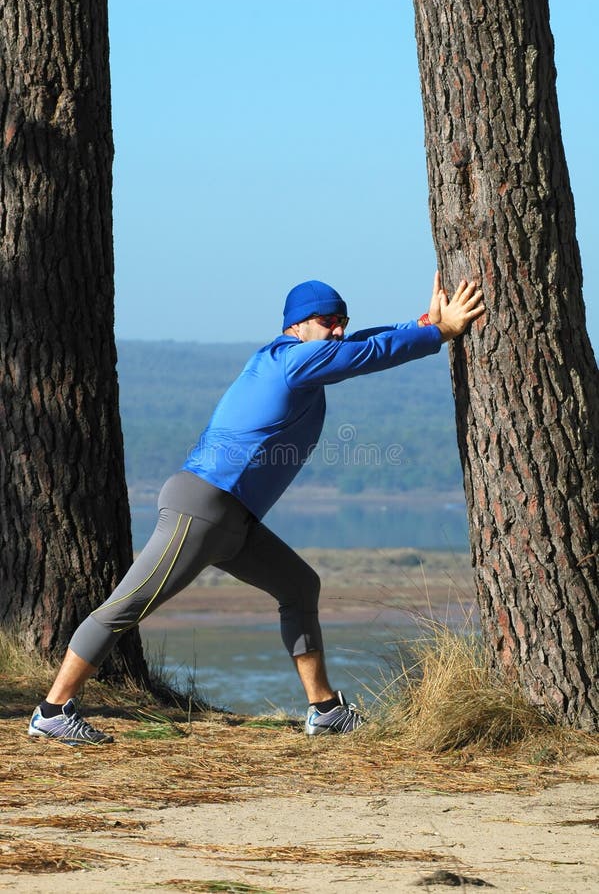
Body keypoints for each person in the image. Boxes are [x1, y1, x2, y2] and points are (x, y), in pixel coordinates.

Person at [28, 272, 484, 744]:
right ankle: (52, 710)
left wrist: (426, 320)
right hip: (202, 507)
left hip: (234, 520)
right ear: (297, 326)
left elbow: (362, 342)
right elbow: (365, 353)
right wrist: (439, 333)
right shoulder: (290, 362)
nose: (340, 330)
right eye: (329, 321)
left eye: (343, 321)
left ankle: (324, 708)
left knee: (300, 585)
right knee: (126, 606)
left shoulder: (302, 359)